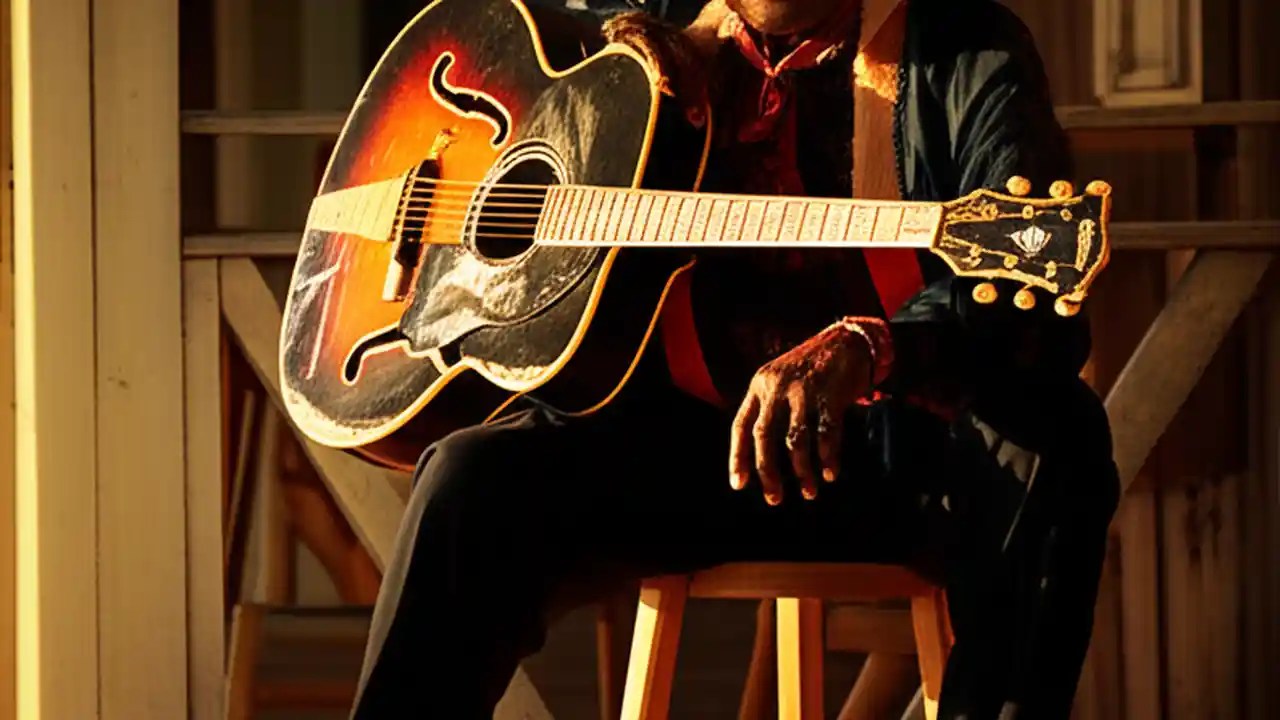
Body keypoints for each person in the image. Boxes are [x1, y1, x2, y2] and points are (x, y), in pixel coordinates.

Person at [350, 1, 1120, 718]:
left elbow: (1038, 317)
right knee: (472, 479)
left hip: (890, 461)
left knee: (1058, 432)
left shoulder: (964, 45)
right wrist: (619, 51)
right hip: (683, 448)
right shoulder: (660, 21)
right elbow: (519, 67)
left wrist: (872, 345)